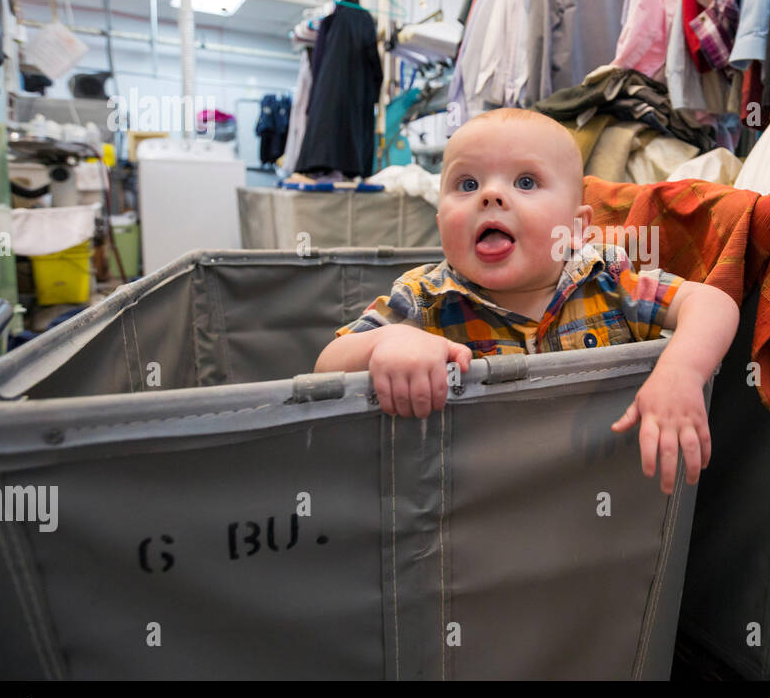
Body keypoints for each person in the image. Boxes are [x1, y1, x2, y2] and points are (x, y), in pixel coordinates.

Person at [315, 107, 740, 494]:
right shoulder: (423, 299)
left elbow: (712, 303)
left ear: (576, 228)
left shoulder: (609, 279)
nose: (491, 196)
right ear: (441, 220)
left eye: (525, 182)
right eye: (467, 184)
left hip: (600, 505)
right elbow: (326, 366)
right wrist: (388, 344)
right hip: (473, 510)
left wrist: (680, 372)